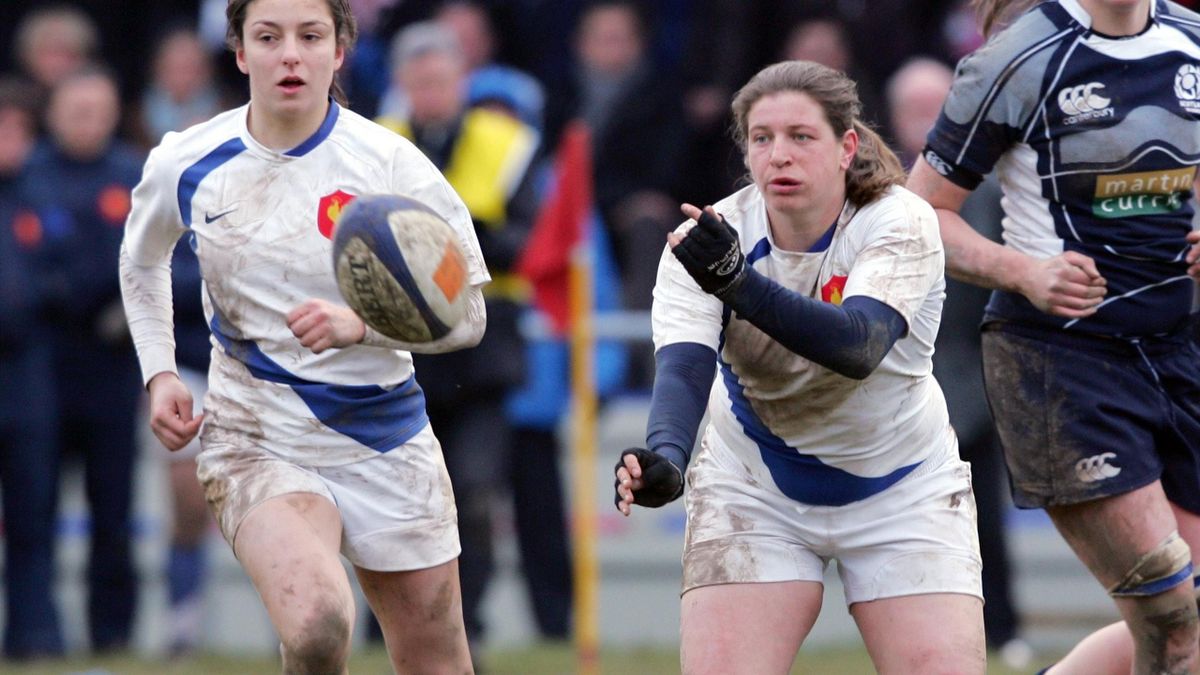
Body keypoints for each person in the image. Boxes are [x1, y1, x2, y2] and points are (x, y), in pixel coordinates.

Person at [118, 0, 487, 672]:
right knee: (318, 622)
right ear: (239, 52)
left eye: (310, 36)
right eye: (269, 36)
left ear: (339, 51)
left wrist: (363, 323)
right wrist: (161, 371)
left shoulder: (391, 165)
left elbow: (468, 316)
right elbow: (142, 255)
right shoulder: (189, 160)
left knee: (437, 658)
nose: (291, 53)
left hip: (387, 433)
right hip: (256, 431)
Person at [613, 59, 985, 674]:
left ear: (846, 147)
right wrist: (667, 458)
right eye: (762, 138)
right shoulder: (707, 240)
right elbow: (683, 369)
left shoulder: (899, 219)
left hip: (903, 484)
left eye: (801, 137)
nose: (779, 155)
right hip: (754, 486)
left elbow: (857, 347)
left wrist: (739, 285)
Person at [906, 0, 1200, 673]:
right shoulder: (1018, 56)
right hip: (1061, 359)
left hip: (1176, 348)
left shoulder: (1191, 44)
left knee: (1189, 614)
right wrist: (1024, 271)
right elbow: (920, 212)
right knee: (1169, 612)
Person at [376, 21, 540, 664]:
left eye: (440, 80)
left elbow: (524, 241)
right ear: (401, 85)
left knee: (470, 495)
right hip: (397, 352)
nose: (429, 91)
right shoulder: (374, 145)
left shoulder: (509, 144)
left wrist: (436, 241)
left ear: (461, 82)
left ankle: (468, 627)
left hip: (483, 352)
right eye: (418, 81)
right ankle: (389, 632)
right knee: (395, 503)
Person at [886, 55, 1031, 669]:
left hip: (973, 377)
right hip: (891, 382)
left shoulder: (992, 190)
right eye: (915, 109)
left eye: (935, 108)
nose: (926, 121)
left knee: (981, 522)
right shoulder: (872, 190)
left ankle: (1001, 629)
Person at [24, 65, 145, 655]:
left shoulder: (136, 174)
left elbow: (166, 262)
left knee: (114, 512)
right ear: (53, 114)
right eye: (76, 111)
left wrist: (132, 309)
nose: (87, 122)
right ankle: (37, 636)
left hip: (114, 367)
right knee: (34, 508)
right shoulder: (28, 176)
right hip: (43, 368)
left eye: (98, 111)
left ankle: (112, 637)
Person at [0, 75, 65, 661]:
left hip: (30, 378)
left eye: (18, 128)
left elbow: (72, 270)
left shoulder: (43, 192)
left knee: (33, 516)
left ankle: (36, 638)